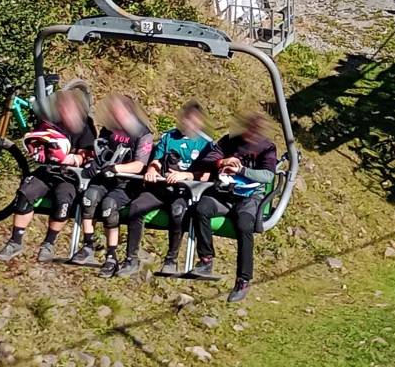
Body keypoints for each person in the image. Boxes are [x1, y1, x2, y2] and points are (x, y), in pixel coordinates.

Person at [119, 100, 218, 277]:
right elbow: (157, 160)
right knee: (136, 207)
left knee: (177, 212)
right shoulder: (169, 137)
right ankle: (131, 259)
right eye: (186, 119)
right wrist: (152, 170)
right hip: (162, 188)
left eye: (193, 121)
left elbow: (206, 175)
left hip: (185, 192)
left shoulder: (206, 144)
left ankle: (171, 259)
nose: (188, 124)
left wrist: (186, 175)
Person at [0, 88, 96, 263]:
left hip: (69, 175)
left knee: (63, 201)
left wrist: (75, 158)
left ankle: (49, 243)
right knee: (25, 193)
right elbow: (37, 139)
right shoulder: (49, 121)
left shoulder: (85, 125)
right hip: (47, 170)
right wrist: (37, 150)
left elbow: (88, 153)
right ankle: (15, 241)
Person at [190, 113, 279, 302]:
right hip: (225, 193)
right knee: (201, 208)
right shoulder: (230, 141)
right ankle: (206, 259)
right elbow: (207, 159)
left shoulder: (267, 148)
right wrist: (222, 162)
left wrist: (241, 170)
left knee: (244, 225)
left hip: (249, 196)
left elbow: (268, 175)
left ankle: (243, 279)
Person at [70, 95, 153, 277]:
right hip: (104, 178)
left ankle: (111, 256)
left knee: (109, 206)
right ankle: (88, 245)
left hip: (127, 183)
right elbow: (100, 150)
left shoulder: (143, 134)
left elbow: (139, 165)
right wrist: (94, 163)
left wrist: (116, 168)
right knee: (89, 198)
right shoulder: (109, 129)